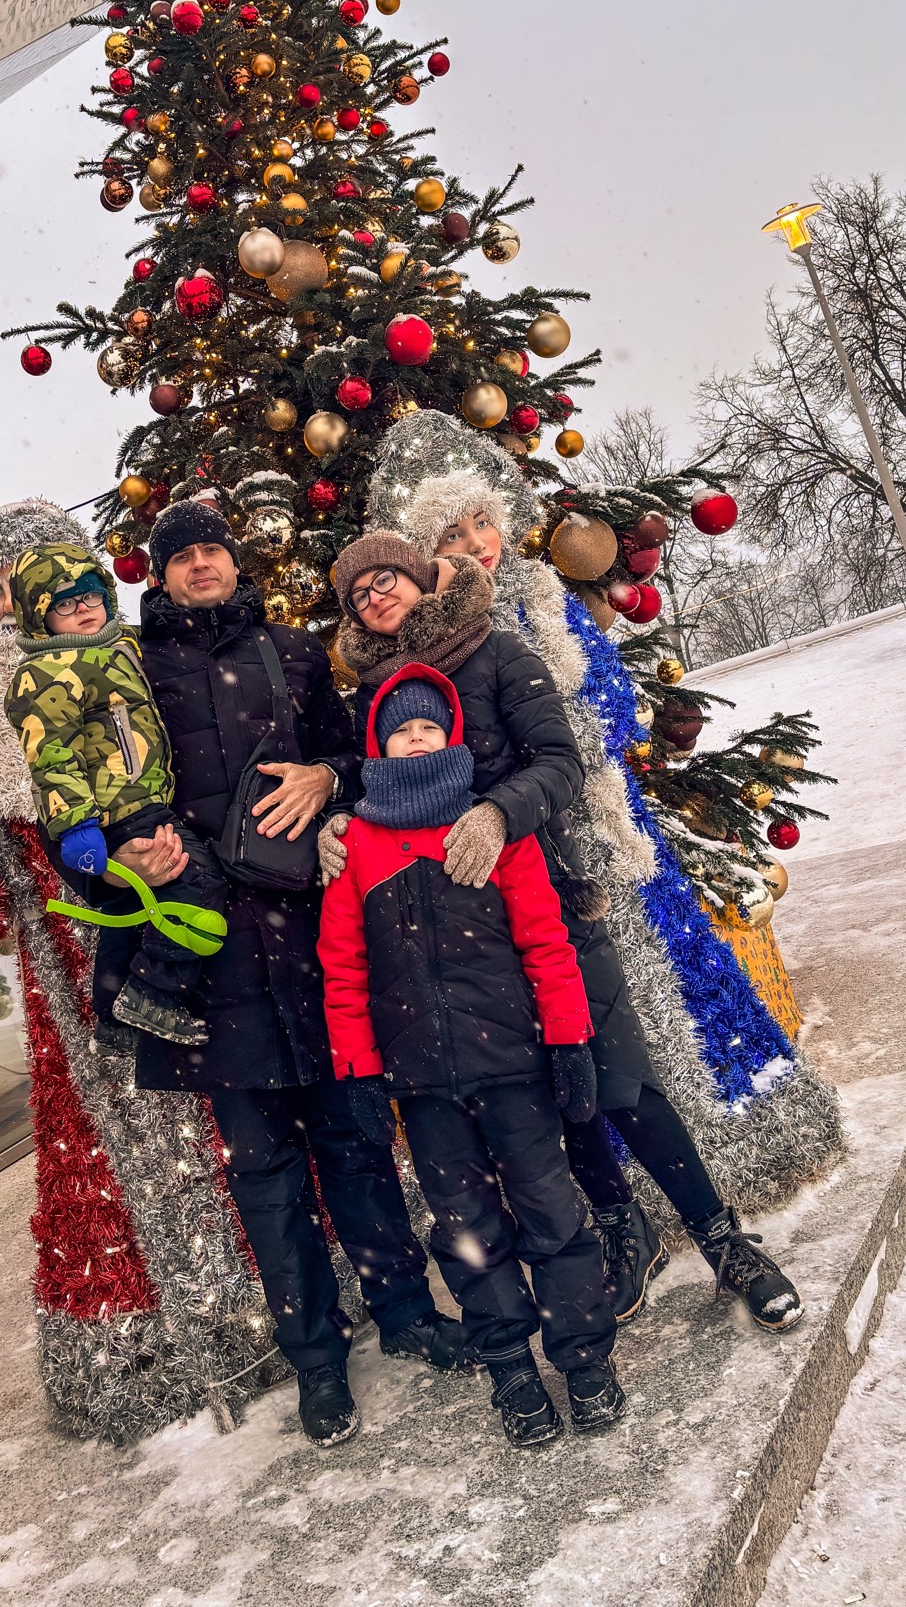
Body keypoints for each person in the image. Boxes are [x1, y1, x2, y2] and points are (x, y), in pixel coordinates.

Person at [353, 416, 842, 1314]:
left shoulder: (506, 635)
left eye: (478, 527)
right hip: (477, 912)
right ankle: (626, 1224)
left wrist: (501, 812)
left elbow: (567, 751)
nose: (471, 548)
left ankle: (722, 1238)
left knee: (617, 1072)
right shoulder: (394, 668)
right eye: (448, 535)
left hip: (565, 884)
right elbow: (381, 768)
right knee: (550, 1084)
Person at [0, 500, 267, 1444]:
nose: (18, 602)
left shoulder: (133, 660)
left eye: (51, 573)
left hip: (173, 909)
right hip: (68, 961)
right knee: (105, 1143)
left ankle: (270, 1295)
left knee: (224, 1107)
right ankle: (136, 1343)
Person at [135, 499, 464, 1446]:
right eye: (184, 555)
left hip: (317, 940)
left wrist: (327, 774)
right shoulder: (139, 672)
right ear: (159, 575)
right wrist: (136, 853)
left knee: (356, 1137)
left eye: (214, 549)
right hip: (216, 959)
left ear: (235, 561)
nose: (203, 565)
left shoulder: (294, 651)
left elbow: (364, 757)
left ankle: (404, 1314)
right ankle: (317, 1362)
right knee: (266, 1176)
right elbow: (112, 789)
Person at [319, 661, 626, 1448]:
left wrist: (568, 1040)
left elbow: (546, 945)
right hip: (421, 1085)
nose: (415, 737)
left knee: (553, 1212)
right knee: (468, 1231)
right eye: (400, 729)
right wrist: (357, 1069)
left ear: (449, 734)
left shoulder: (492, 830)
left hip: (514, 1066)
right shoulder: (355, 847)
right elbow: (344, 973)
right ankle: (512, 1370)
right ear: (378, 746)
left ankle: (584, 1358)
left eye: (427, 725)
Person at [5, 540, 225, 1046]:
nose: (83, 608)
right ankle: (153, 990)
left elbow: (168, 626)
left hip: (147, 798)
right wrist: (78, 827)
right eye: (64, 602)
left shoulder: (120, 644)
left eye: (91, 595)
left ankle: (112, 1012)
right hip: (117, 808)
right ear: (41, 617)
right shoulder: (46, 673)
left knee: (132, 907)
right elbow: (51, 755)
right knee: (196, 881)